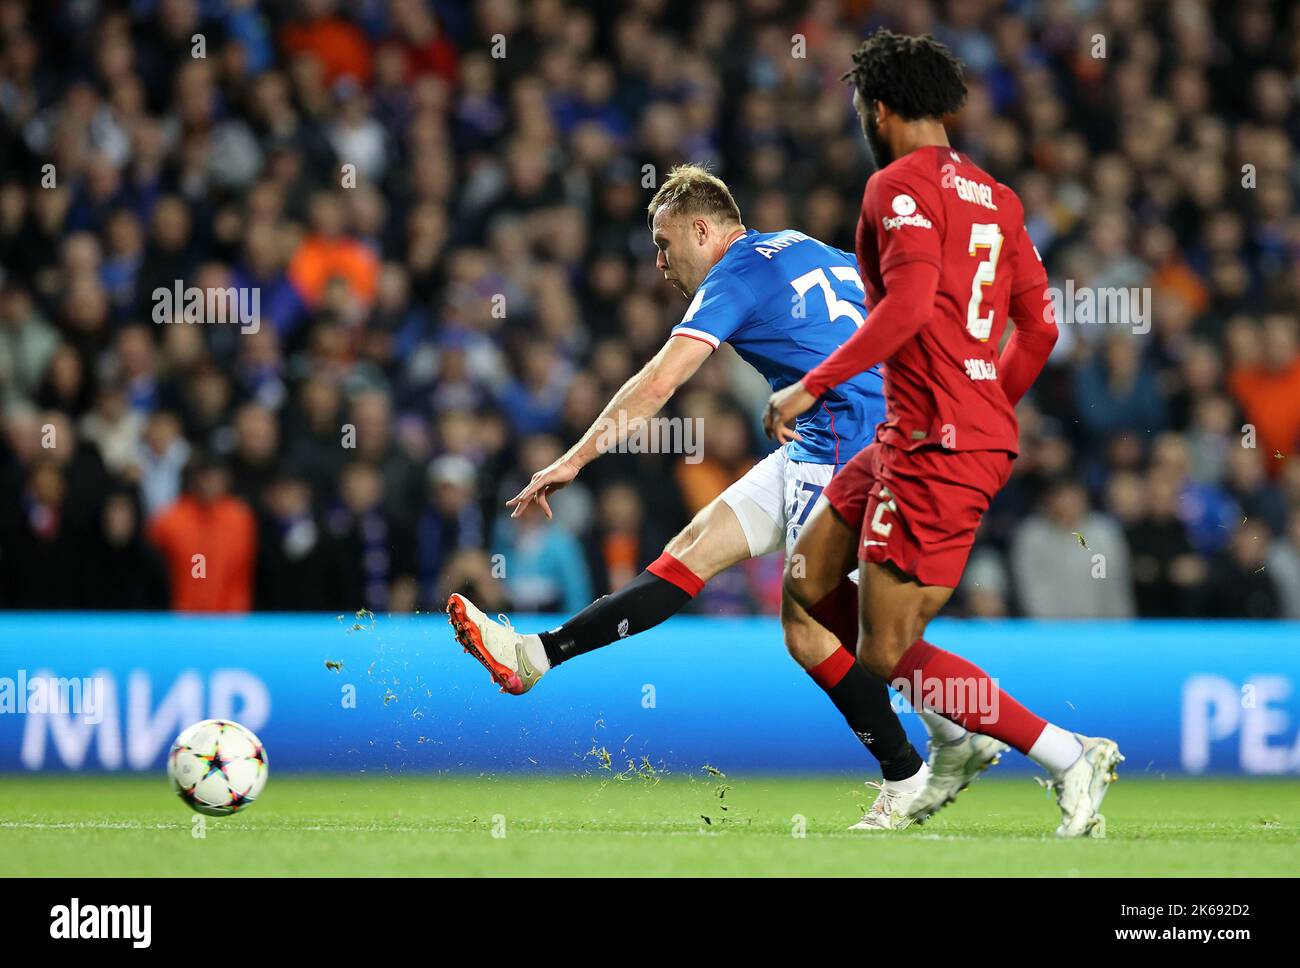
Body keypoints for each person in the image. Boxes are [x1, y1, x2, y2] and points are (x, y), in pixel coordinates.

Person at [448, 164, 1006, 830]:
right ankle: (533, 656)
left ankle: (922, 763)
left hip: (844, 452)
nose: (659, 262)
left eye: (664, 243)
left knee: (813, 631)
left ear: (703, 228)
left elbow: (660, 384)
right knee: (694, 549)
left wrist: (574, 459)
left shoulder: (736, 272)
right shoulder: (803, 247)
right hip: (837, 442)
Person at [763, 30, 1122, 838]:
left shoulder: (895, 186)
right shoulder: (999, 197)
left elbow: (913, 303)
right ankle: (955, 738)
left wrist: (812, 383)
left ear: (878, 109)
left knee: (883, 652)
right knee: (806, 582)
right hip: (914, 432)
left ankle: (1066, 753)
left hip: (939, 444)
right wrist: (991, 395)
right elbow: (1040, 328)